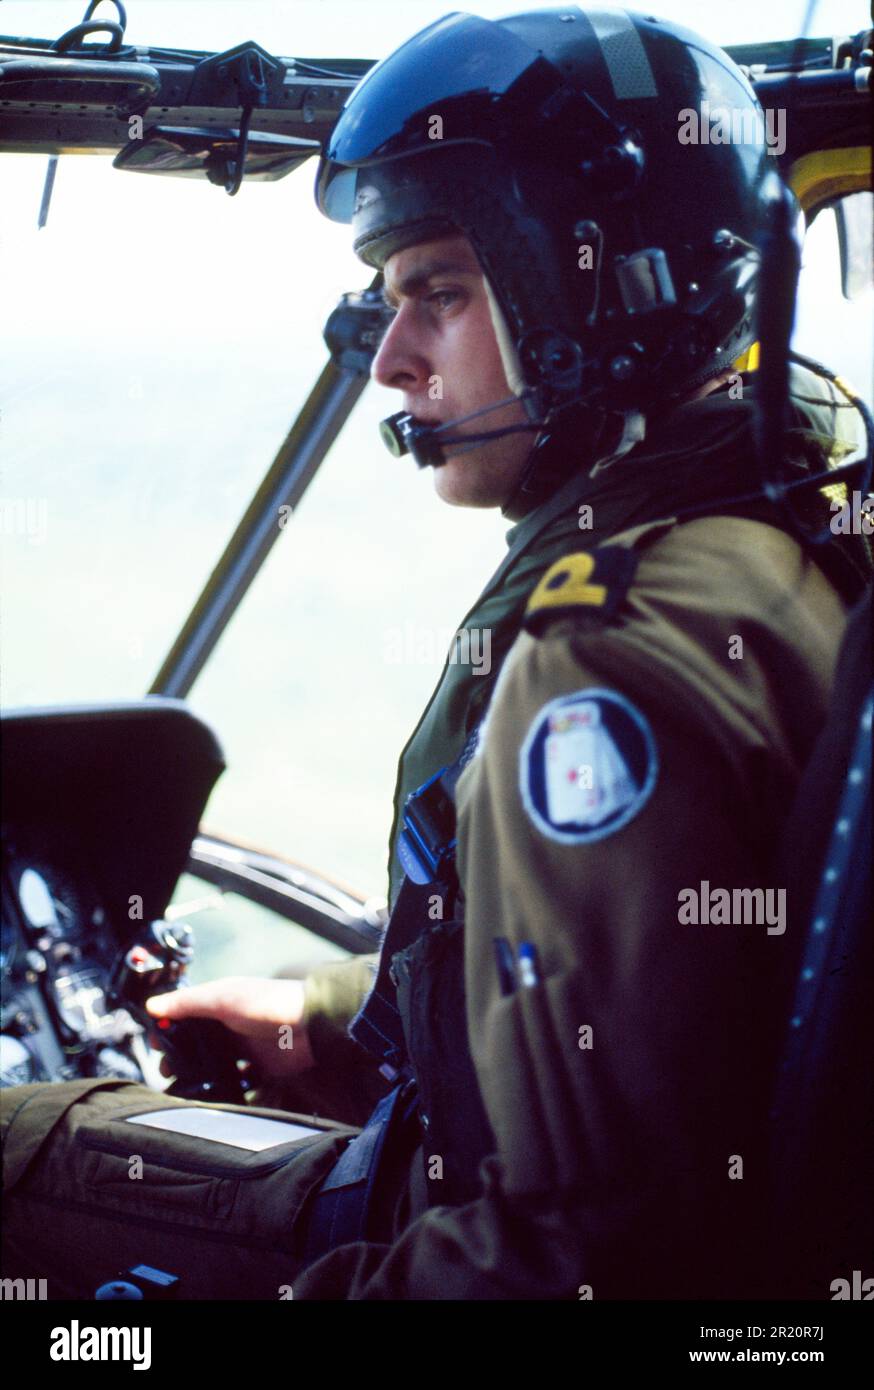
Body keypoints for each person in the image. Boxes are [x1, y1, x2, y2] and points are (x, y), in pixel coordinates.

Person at [1, 6, 870, 1301]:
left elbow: (584, 1264)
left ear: (593, 281)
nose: (392, 360)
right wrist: (325, 1019)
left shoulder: (605, 661)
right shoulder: (797, 509)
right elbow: (673, 1000)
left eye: (438, 292)